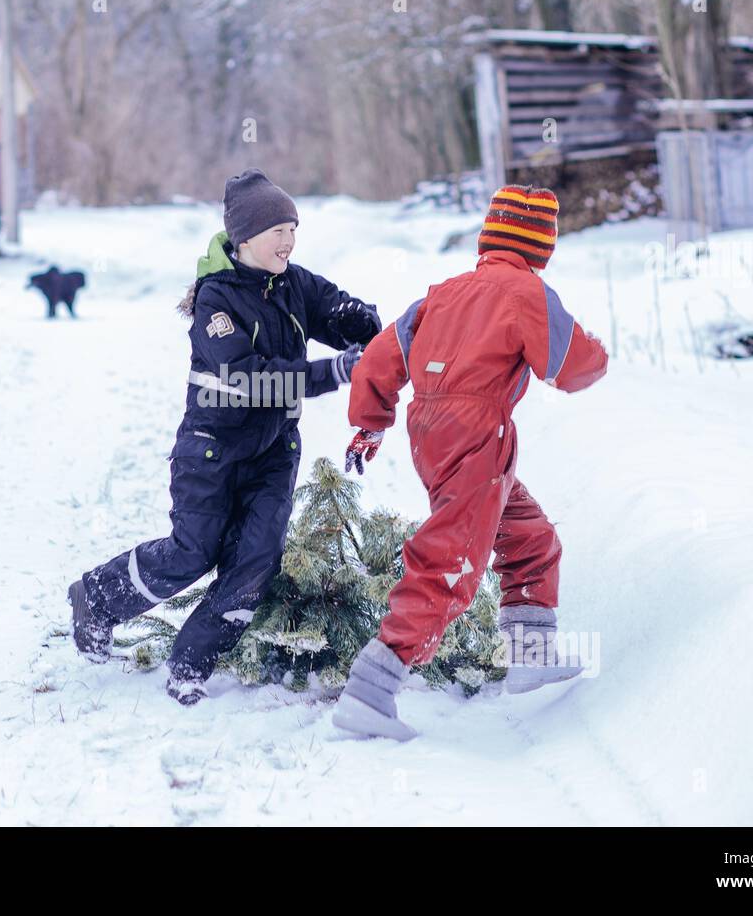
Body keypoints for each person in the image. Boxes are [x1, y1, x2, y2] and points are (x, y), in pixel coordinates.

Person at [67, 169, 381, 704]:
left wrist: (370, 327)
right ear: (245, 238)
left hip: (273, 453)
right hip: (211, 450)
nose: (288, 240)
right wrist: (334, 372)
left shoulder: (295, 284)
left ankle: (190, 664)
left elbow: (338, 312)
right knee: (192, 553)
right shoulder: (215, 301)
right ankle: (96, 599)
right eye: (278, 230)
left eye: (293, 229)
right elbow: (248, 377)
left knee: (256, 560)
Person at [332, 184, 608, 740]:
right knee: (450, 561)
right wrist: (598, 350)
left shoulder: (443, 292)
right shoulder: (528, 293)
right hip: (476, 431)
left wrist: (370, 421)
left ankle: (530, 658)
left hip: (428, 430)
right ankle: (370, 689)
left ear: (489, 235)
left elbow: (379, 361)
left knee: (528, 540)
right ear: (542, 247)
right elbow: (572, 366)